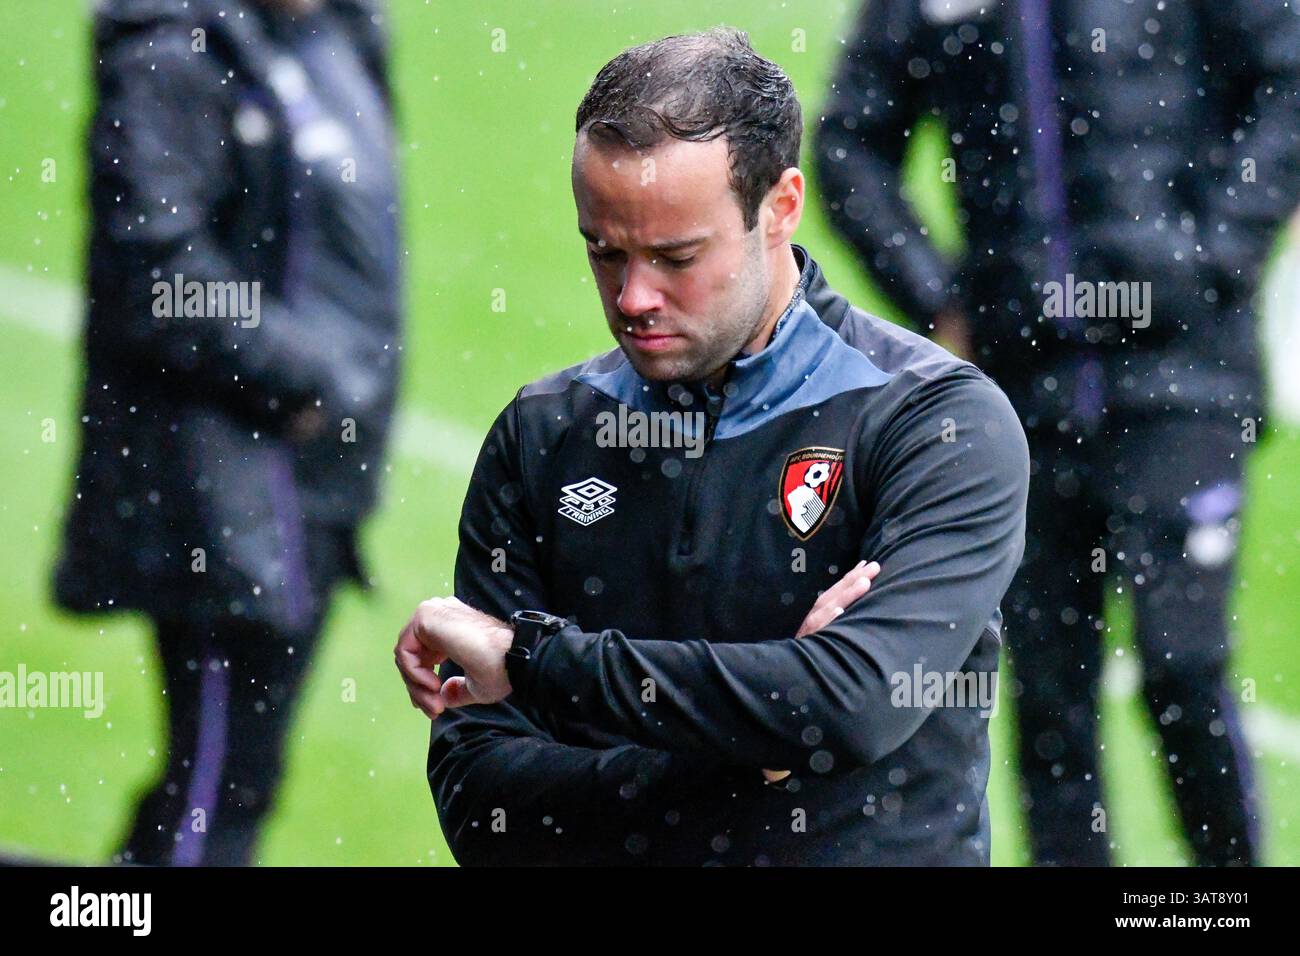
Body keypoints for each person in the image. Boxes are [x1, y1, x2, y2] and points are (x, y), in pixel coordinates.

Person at [394, 27, 1029, 866]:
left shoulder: (933, 423)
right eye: (604, 251)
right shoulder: (545, 434)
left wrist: (535, 662)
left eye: (675, 256)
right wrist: (751, 748)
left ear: (781, 207)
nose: (633, 297)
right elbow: (486, 809)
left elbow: (854, 704)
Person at [814, 0, 1300, 865]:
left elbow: (1289, 74)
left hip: (1183, 381)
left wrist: (1217, 249)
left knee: (1182, 667)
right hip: (1018, 396)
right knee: (1050, 698)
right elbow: (850, 139)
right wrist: (938, 298)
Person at [53, 0, 401, 865]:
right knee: (214, 791)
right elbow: (153, 270)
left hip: (313, 479)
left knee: (229, 785)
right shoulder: (175, 51)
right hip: (223, 490)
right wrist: (306, 374)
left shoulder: (341, 32)